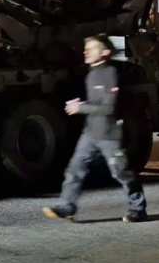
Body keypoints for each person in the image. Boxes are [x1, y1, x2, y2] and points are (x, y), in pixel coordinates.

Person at [43, 34, 148, 223]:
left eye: (92, 48)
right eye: (86, 48)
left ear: (105, 52)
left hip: (110, 136)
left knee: (121, 173)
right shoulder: (91, 74)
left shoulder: (110, 74)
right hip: (90, 134)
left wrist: (80, 108)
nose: (86, 51)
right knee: (74, 170)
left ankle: (138, 208)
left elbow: (108, 107)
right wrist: (82, 103)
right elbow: (97, 102)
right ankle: (68, 206)